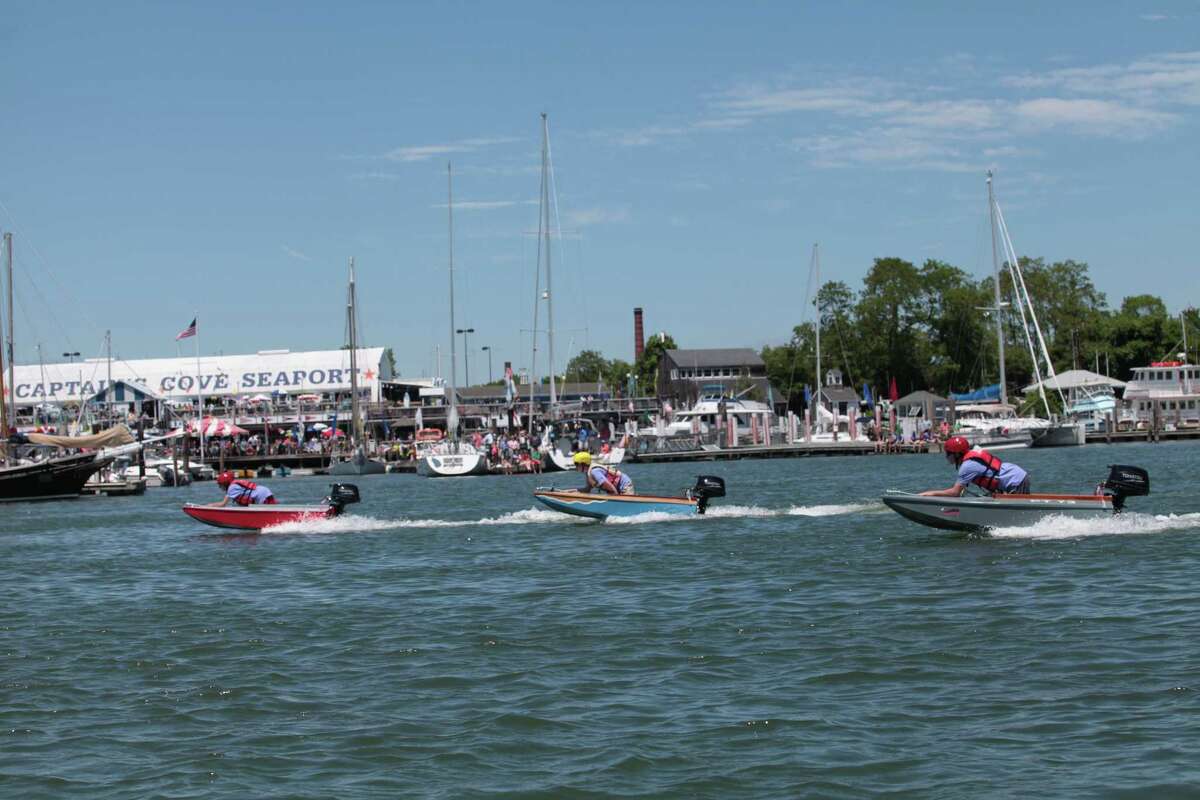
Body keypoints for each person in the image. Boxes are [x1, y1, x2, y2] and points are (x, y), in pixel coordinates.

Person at [921, 436, 1030, 497]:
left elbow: (955, 492)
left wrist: (931, 493)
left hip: (1016, 480)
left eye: (948, 453)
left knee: (1022, 513)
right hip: (1013, 476)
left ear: (957, 454)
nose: (946, 456)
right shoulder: (969, 461)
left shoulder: (967, 467)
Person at [209, 471, 277, 506]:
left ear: (225, 483)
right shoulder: (234, 484)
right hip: (264, 491)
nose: (220, 487)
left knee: (273, 511)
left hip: (261, 495)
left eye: (221, 485)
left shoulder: (231, 488)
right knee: (275, 509)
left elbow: (222, 504)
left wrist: (208, 506)